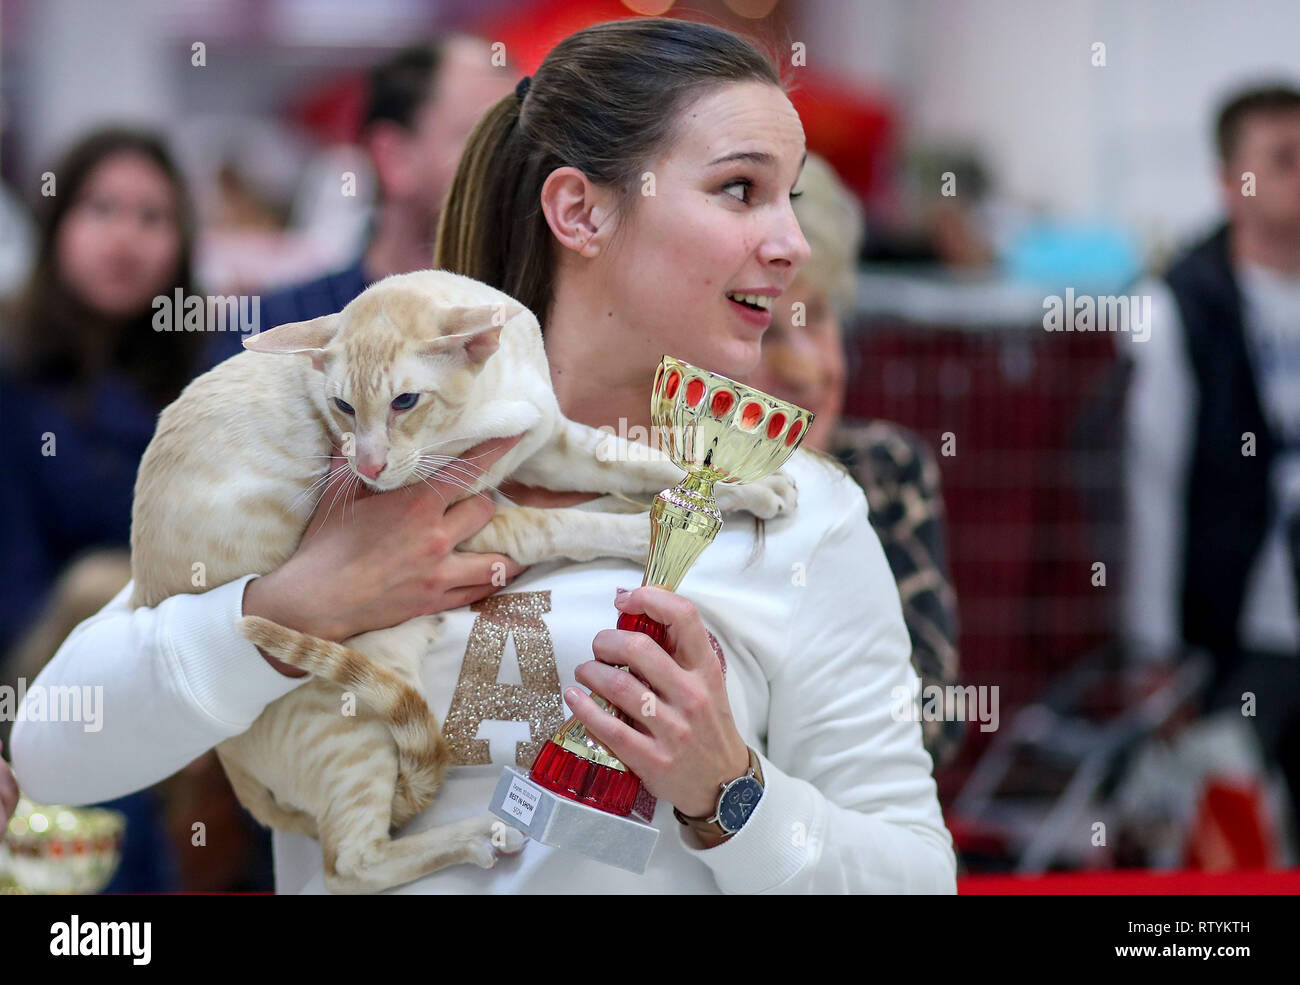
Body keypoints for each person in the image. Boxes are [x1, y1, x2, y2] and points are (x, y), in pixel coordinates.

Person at [12, 18, 956, 894]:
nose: (790, 244)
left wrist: (732, 794)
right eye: (740, 189)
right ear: (580, 213)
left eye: (788, 199)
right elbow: (56, 750)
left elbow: (917, 876)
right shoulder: (353, 455)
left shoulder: (795, 512)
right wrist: (293, 607)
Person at [0, 128, 204, 891]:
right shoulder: (13, 377)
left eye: (152, 217)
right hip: (43, 685)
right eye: (103, 209)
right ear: (58, 224)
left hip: (183, 692)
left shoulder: (203, 372)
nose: (126, 237)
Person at [741, 153, 963, 769]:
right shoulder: (674, 486)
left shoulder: (885, 470)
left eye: (820, 321)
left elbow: (934, 721)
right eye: (770, 332)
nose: (808, 368)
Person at [1122, 82, 1300, 829]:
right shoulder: (1177, 310)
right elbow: (1150, 487)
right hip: (1237, 627)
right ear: (1230, 183)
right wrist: (1154, 647)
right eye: (1285, 160)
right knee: (1230, 831)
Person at [197, 35, 514, 372]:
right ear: (394, 158)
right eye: (484, 136)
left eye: (518, 136)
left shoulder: (531, 326)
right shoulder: (273, 335)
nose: (513, 159)